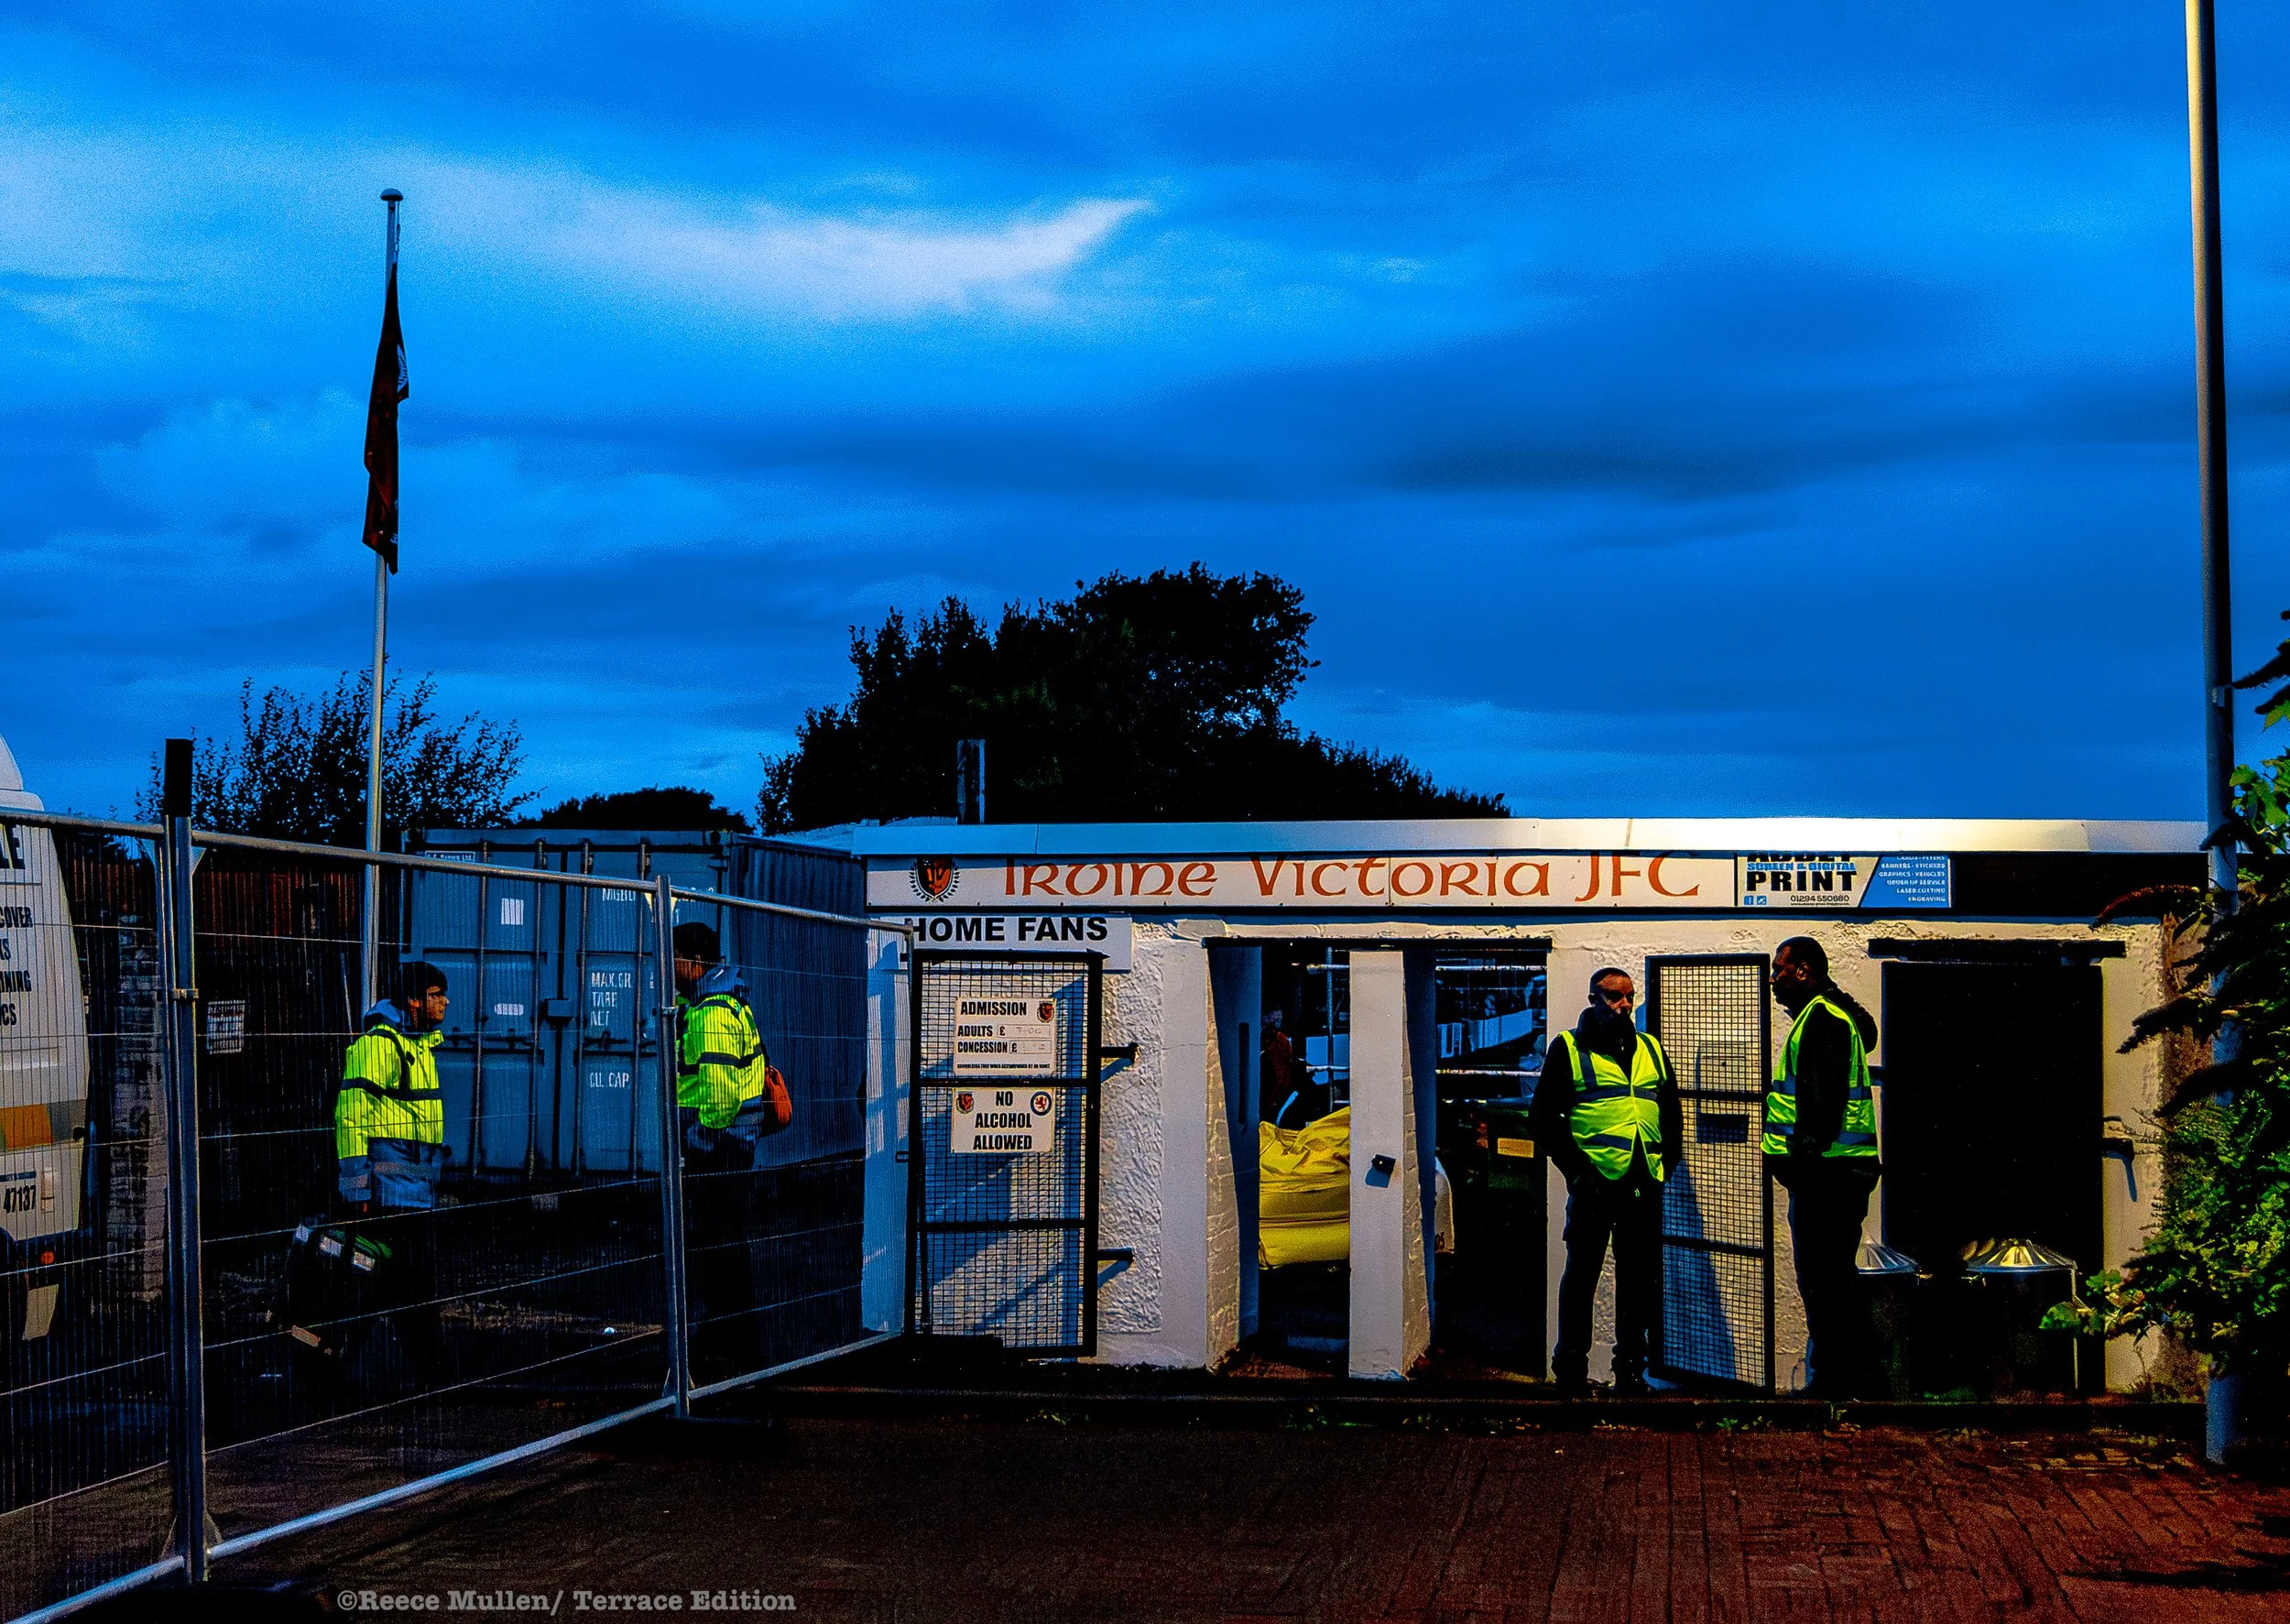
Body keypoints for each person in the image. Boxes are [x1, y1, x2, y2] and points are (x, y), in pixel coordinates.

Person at [1530, 966, 1681, 1396]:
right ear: (1594, 998)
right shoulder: (1569, 1048)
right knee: (1582, 1277)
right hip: (1595, 1183)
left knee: (1638, 1281)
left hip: (1642, 1181)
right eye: (1615, 997)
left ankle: (1630, 1372)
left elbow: (1669, 1109)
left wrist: (1666, 1162)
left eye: (1630, 996)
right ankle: (1570, 1372)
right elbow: (1543, 1120)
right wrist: (1579, 1172)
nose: (1625, 1005)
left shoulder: (1650, 1047)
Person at [1761, 936, 1881, 1400]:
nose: (1773, 979)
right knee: (1834, 1277)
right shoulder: (1832, 1013)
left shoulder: (1822, 1021)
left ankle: (1837, 1383)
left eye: (1780, 970)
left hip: (1827, 1176)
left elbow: (1821, 1109)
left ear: (1804, 971)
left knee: (1824, 1280)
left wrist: (1796, 1165)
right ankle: (1847, 1379)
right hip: (1839, 1174)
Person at [333, 959, 451, 1383]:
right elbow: (350, 1117)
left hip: (411, 1192)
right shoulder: (381, 1046)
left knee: (391, 1282)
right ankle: (421, 1372)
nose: (445, 1002)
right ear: (415, 1000)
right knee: (389, 1282)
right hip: (387, 1192)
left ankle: (343, 1363)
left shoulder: (417, 1046)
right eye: (437, 995)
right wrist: (358, 1186)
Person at [671, 921, 771, 1356]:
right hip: (735, 1144)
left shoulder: (711, 1011)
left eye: (674, 958)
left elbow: (721, 1091)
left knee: (719, 1245)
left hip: (719, 1148)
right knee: (728, 1245)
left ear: (694, 963)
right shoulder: (726, 1004)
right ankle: (735, 1339)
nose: (667, 966)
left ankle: (727, 1345)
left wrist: (702, 1137)